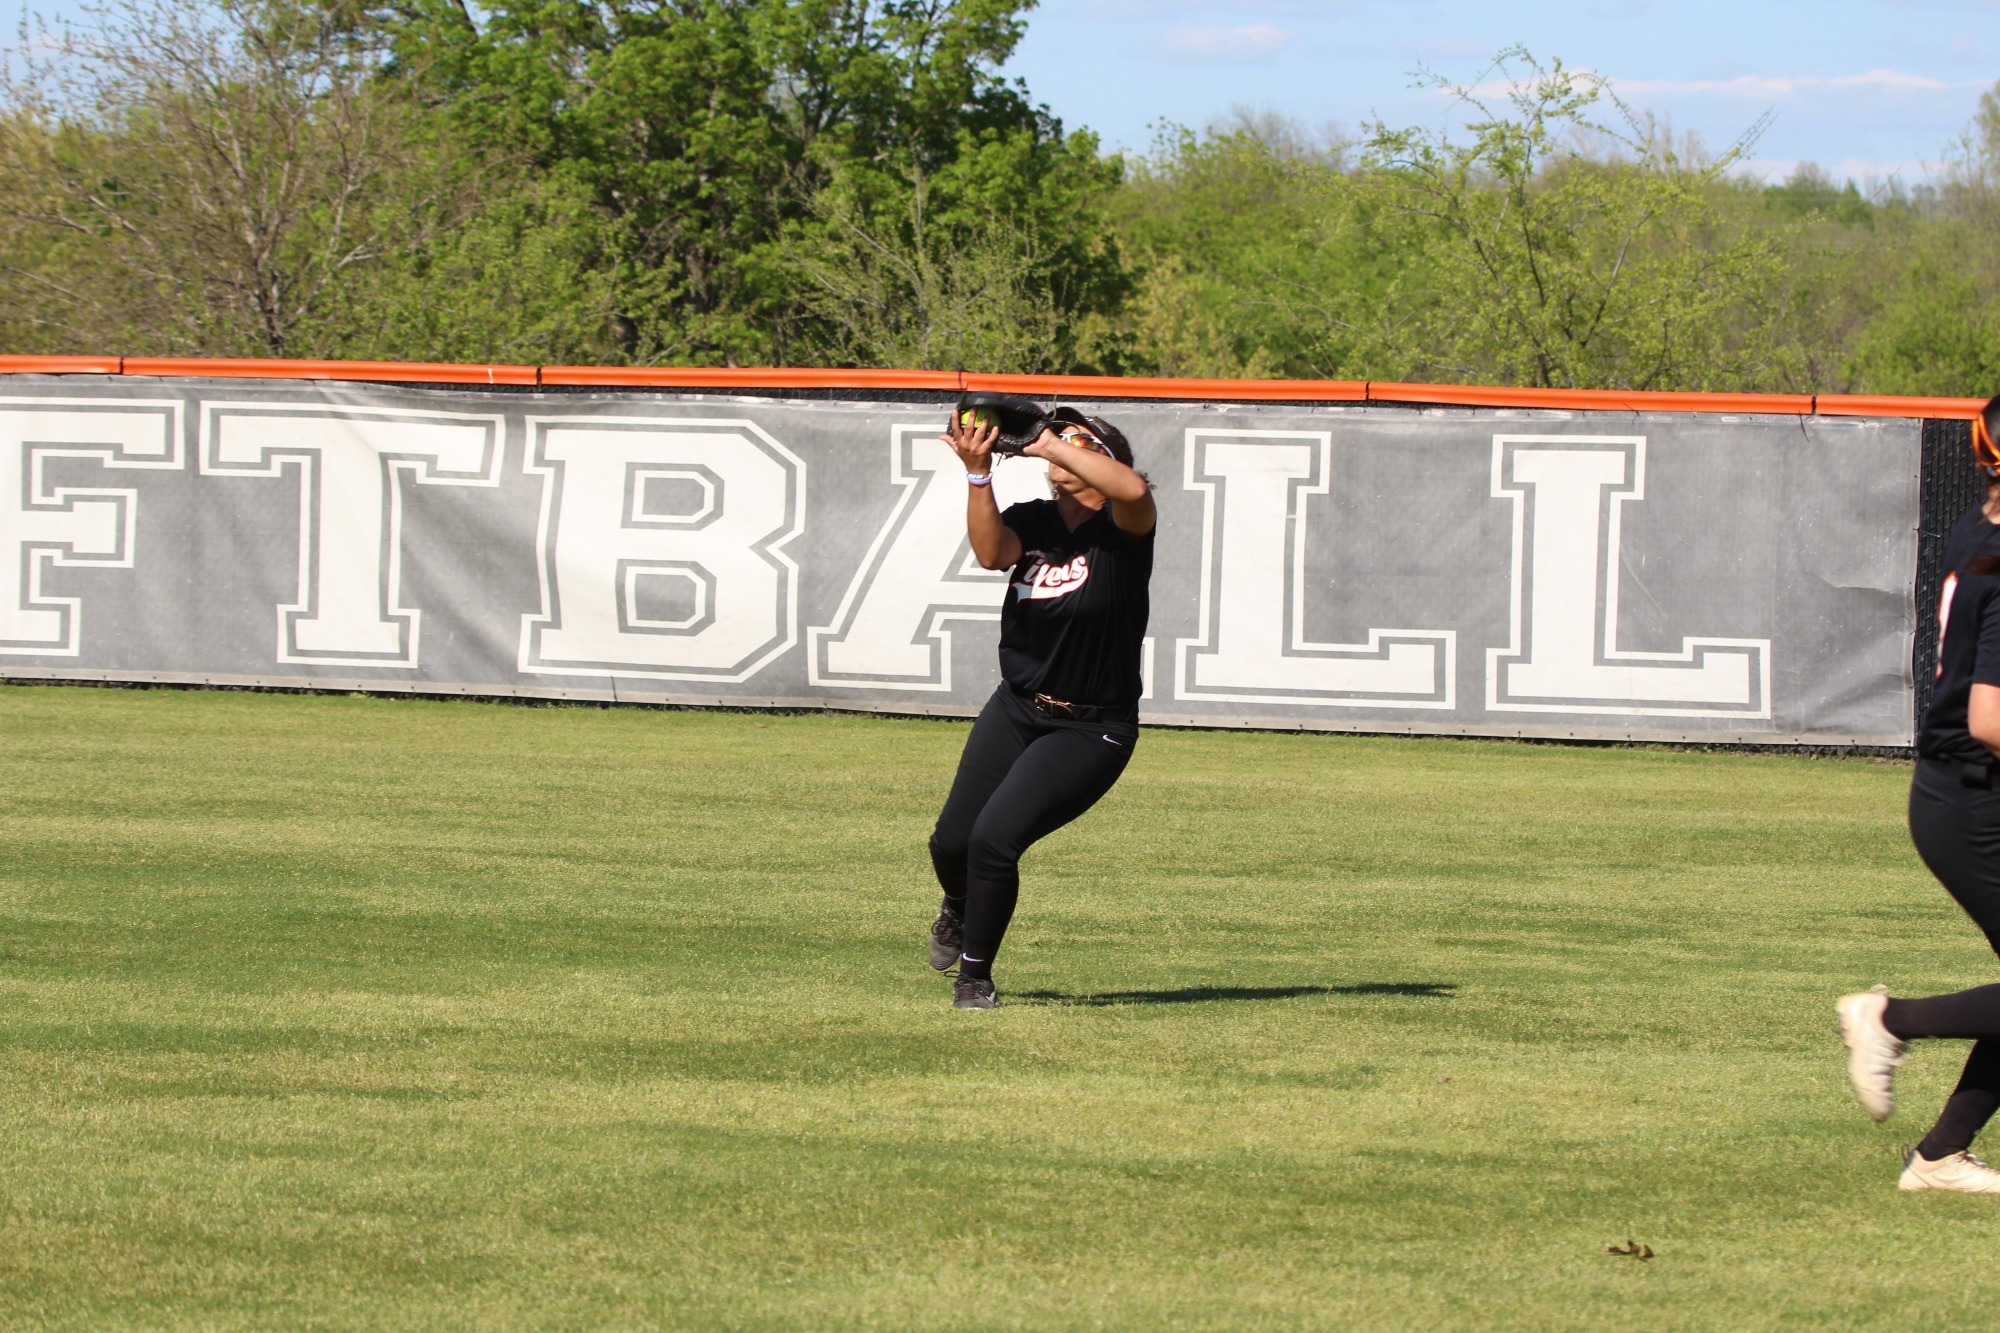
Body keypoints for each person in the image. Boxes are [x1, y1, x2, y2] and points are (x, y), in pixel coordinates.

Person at [923, 405, 1157, 1009]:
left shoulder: (1124, 529)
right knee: (951, 843)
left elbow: (1133, 490)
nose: (1058, 444)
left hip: (1090, 728)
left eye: (1081, 441)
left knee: (993, 840)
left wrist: (1050, 444)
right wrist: (978, 473)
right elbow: (992, 554)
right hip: (1017, 708)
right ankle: (957, 905)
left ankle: (975, 977)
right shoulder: (1036, 519)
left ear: (1105, 460)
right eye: (1059, 436)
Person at [1839, 394, 2000, 1192]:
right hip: (1974, 802)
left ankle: (1938, 1157)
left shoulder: (1981, 526)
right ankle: (1888, 1018)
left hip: (1958, 790)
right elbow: (1990, 717)